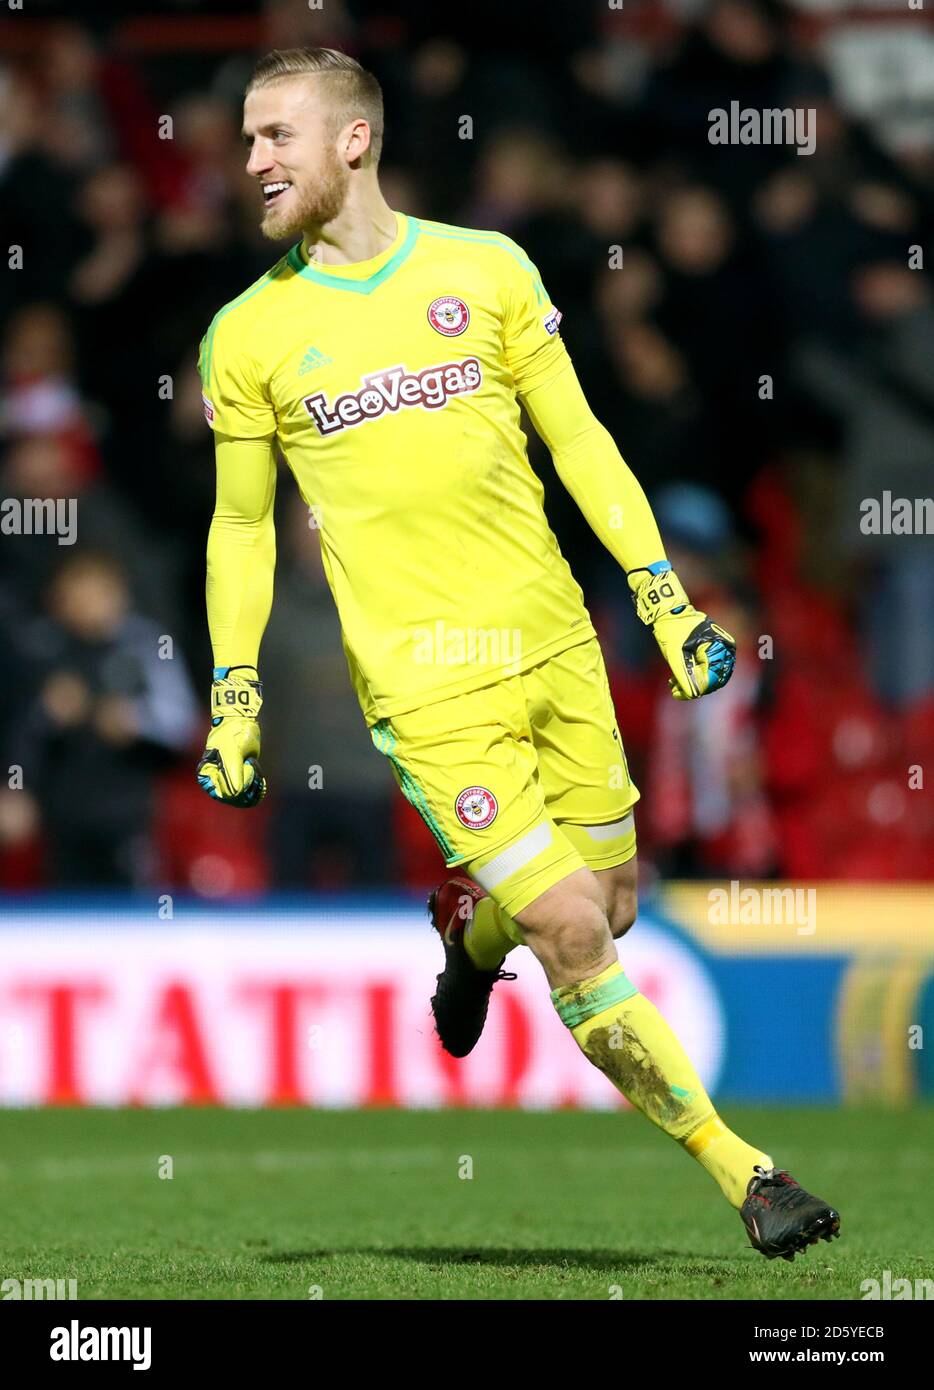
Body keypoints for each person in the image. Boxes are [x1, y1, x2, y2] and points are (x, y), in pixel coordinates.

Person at [195, 46, 839, 1261]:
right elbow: (237, 527)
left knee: (611, 905)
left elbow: (580, 441)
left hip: (555, 647)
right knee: (574, 932)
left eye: (275, 135)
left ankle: (467, 939)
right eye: (245, 139)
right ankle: (747, 1172)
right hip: (428, 685)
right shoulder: (248, 335)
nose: (251, 162)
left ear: (353, 140)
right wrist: (235, 692)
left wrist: (664, 600)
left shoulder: (484, 270)